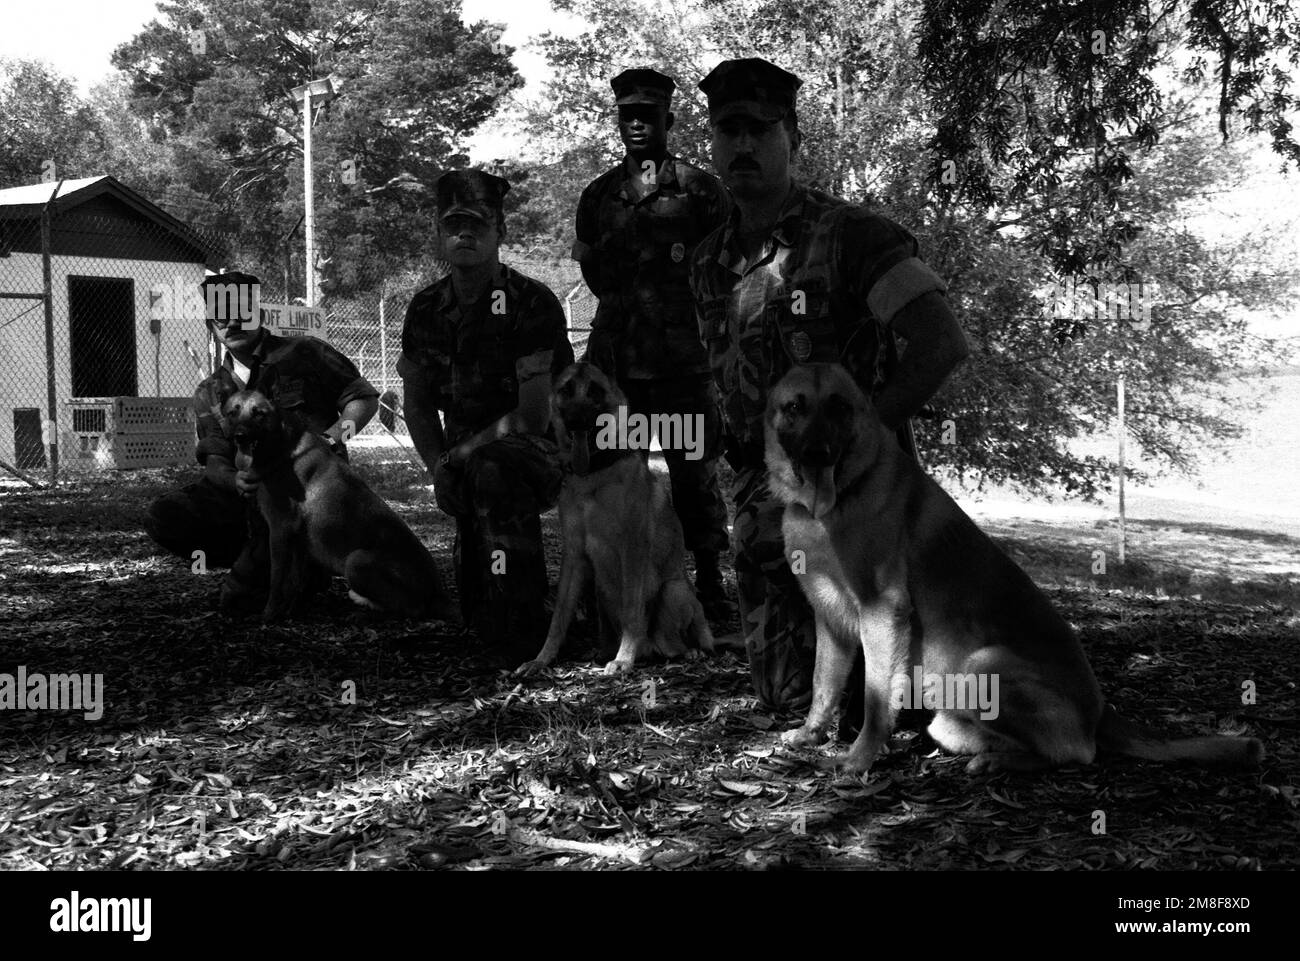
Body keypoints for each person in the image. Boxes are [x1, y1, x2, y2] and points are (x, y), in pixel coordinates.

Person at [689, 58, 971, 712]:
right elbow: (722, 375)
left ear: (793, 136)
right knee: (787, 700)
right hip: (766, 499)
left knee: (902, 705)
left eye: (761, 129)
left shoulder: (851, 237)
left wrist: (865, 439)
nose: (743, 145)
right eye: (728, 130)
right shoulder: (708, 262)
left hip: (858, 490)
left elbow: (941, 340)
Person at [573, 67, 737, 626]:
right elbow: (594, 270)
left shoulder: (699, 189)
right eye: (628, 115)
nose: (637, 124)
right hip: (620, 371)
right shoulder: (598, 195)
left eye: (648, 115)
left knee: (693, 475)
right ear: (617, 121)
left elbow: (726, 271)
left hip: (684, 369)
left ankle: (709, 585)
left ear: (668, 119)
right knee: (620, 476)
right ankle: (620, 591)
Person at [399, 169, 575, 655]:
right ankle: (498, 607)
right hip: (463, 460)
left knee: (492, 471)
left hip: (535, 455)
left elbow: (532, 418)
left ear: (501, 231)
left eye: (478, 225)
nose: (464, 235)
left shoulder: (530, 302)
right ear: (437, 234)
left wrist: (459, 457)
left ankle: (526, 622)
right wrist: (438, 464)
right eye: (453, 225)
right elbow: (415, 400)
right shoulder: (425, 308)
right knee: (476, 611)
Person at [144, 270, 379, 610]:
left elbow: (363, 399)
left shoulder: (305, 353)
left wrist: (332, 438)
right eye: (220, 315)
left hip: (309, 494)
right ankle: (262, 558)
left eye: (240, 309)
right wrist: (235, 480)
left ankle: (300, 559)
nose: (232, 321)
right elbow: (215, 462)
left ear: (261, 315)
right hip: (254, 501)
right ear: (211, 325)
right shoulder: (209, 391)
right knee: (165, 516)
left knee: (244, 603)